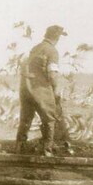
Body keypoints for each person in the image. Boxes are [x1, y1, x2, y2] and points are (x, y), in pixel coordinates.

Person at [16, 24, 68, 155]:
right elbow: (52, 74)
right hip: (40, 88)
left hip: (26, 88)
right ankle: (47, 151)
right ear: (57, 37)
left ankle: (19, 149)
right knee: (50, 119)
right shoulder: (52, 51)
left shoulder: (36, 48)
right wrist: (55, 91)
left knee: (25, 119)